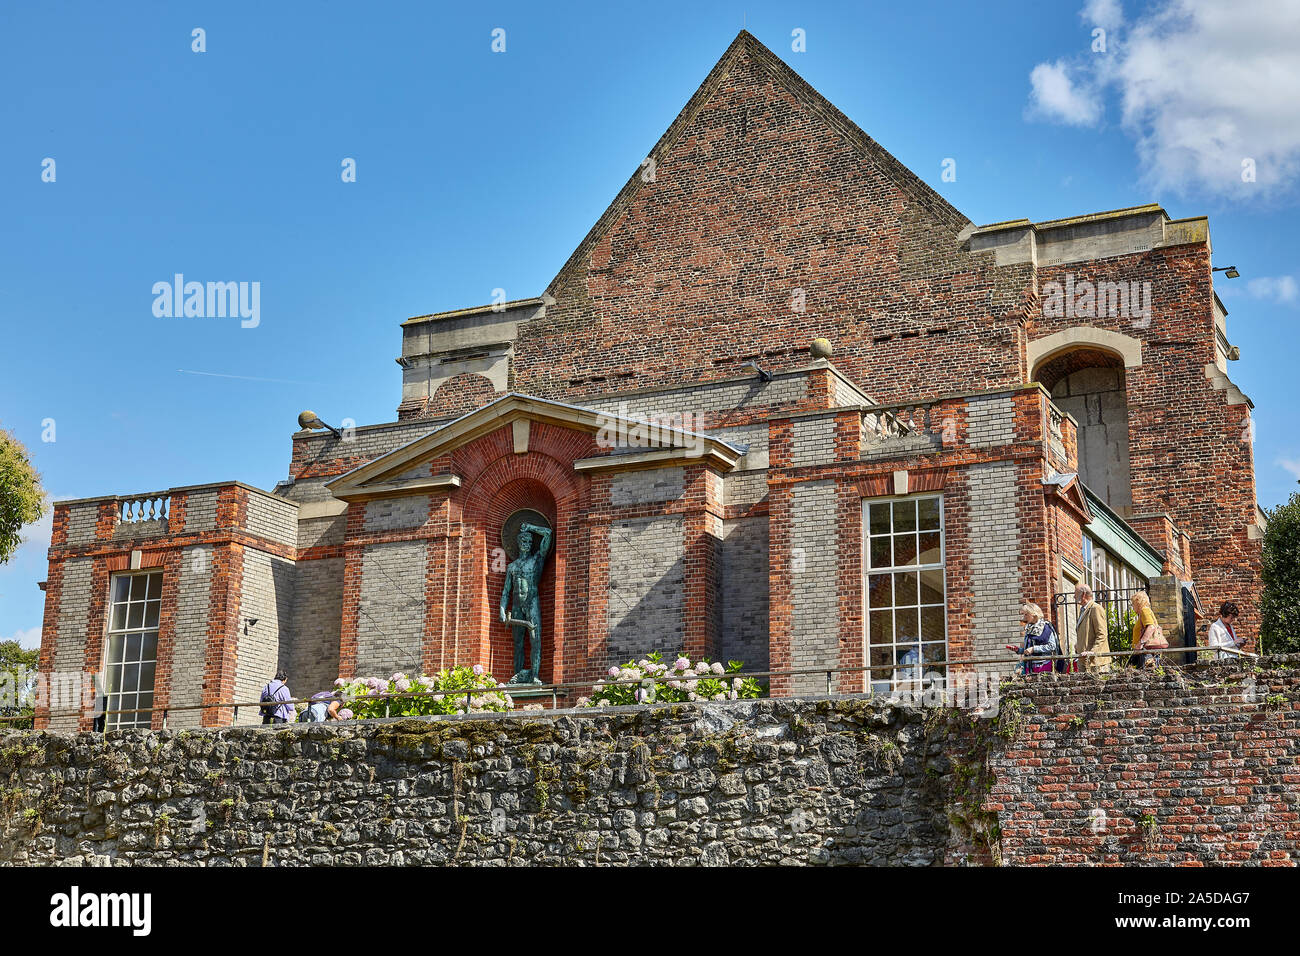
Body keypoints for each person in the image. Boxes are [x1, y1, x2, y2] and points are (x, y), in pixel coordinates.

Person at [1074, 583, 1111, 674]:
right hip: (1083, 660)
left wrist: (1093, 651)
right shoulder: (1083, 610)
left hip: (1096, 662)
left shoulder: (1095, 609)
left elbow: (1102, 634)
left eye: (1075, 593)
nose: (1074, 596)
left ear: (1083, 595)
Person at [1013, 603, 1059, 675]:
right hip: (1029, 665)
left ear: (1033, 614)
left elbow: (1052, 646)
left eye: (1026, 614)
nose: (1024, 617)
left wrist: (1034, 649)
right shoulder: (1029, 628)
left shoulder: (1046, 627)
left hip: (1043, 665)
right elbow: (1028, 649)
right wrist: (1019, 650)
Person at [1130, 591, 1165, 668]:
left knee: (1146, 675)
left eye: (1133, 603)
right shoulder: (1144, 612)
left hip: (1146, 651)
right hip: (1146, 650)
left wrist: (1141, 643)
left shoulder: (1144, 610)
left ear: (1138, 602)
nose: (1132, 606)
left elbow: (1151, 627)